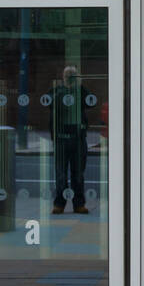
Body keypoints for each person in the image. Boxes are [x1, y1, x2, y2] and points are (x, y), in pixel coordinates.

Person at [50, 65, 89, 214]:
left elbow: (90, 102)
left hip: (78, 138)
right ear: (63, 77)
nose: (70, 79)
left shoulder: (81, 91)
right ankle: (59, 203)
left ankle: (78, 203)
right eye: (68, 76)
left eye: (73, 75)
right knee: (60, 174)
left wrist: (78, 85)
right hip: (61, 138)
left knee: (78, 173)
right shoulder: (58, 91)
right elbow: (52, 104)